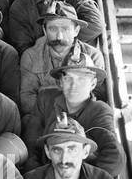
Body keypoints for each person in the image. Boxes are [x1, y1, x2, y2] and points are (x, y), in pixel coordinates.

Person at [24, 43, 120, 172]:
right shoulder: (46, 99)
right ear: (61, 82)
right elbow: (31, 143)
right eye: (69, 79)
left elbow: (114, 156)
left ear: (93, 84)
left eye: (81, 79)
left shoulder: (100, 112)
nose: (74, 85)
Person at [18, 0, 105, 118]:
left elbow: (95, 98)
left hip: (81, 119)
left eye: (65, 29)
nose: (59, 36)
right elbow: (27, 100)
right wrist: (56, 118)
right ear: (44, 31)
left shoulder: (93, 57)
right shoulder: (31, 56)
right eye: (53, 29)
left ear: (76, 30)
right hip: (44, 118)